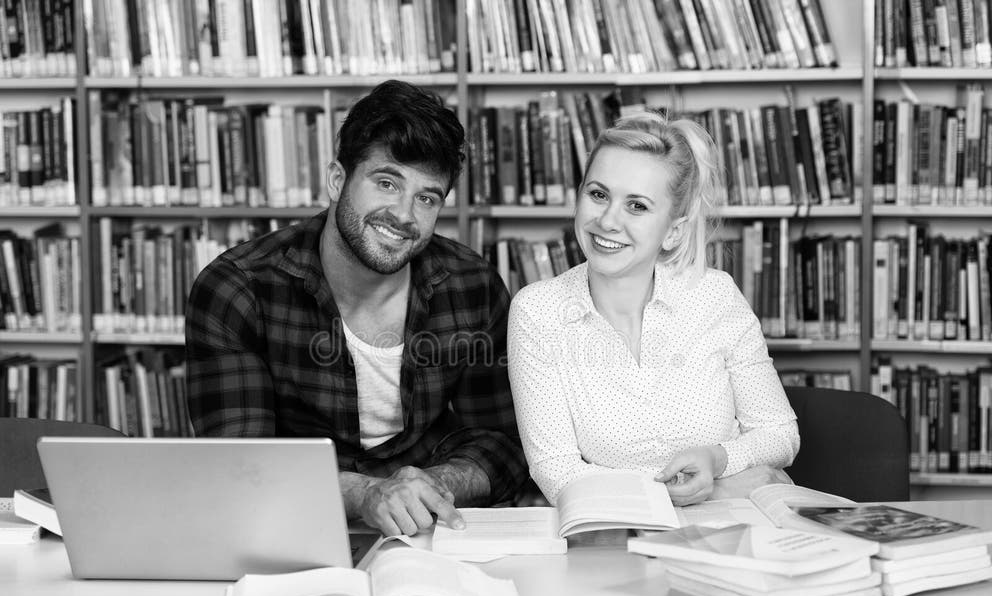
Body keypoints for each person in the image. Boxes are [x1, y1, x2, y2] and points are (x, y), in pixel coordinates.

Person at [185, 80, 526, 536]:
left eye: (427, 198)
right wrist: (364, 494)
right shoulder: (237, 289)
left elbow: (502, 445)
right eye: (387, 182)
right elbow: (241, 466)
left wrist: (433, 484)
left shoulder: (471, 285)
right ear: (337, 180)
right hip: (288, 529)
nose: (404, 215)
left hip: (430, 530)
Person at [507, 111, 799, 507]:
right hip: (617, 533)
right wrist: (716, 488)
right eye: (598, 194)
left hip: (730, 536)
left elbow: (780, 435)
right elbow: (556, 473)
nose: (607, 221)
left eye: (637, 206)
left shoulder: (715, 296)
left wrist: (717, 459)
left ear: (673, 230)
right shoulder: (538, 312)